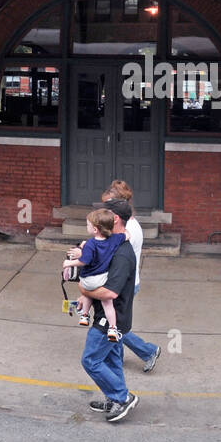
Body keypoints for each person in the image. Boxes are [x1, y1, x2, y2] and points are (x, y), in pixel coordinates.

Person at [78, 212, 139, 423]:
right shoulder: (114, 243)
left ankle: (122, 397)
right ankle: (113, 398)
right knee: (111, 361)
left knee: (90, 360)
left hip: (110, 320)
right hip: (111, 316)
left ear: (114, 219)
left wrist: (84, 290)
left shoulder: (122, 254)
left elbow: (111, 293)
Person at [102, 180, 161, 373]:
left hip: (122, 284)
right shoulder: (128, 225)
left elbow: (112, 255)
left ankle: (148, 351)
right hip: (122, 282)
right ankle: (117, 359)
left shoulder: (130, 231)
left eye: (109, 206)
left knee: (115, 325)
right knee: (115, 323)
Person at [63, 208, 126, 342]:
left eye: (88, 225)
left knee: (87, 293)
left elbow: (84, 261)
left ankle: (85, 315)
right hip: (103, 279)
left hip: (87, 279)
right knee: (108, 305)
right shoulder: (114, 239)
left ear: (96, 229)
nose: (87, 227)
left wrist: (69, 263)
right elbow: (127, 235)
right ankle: (113, 328)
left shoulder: (91, 244)